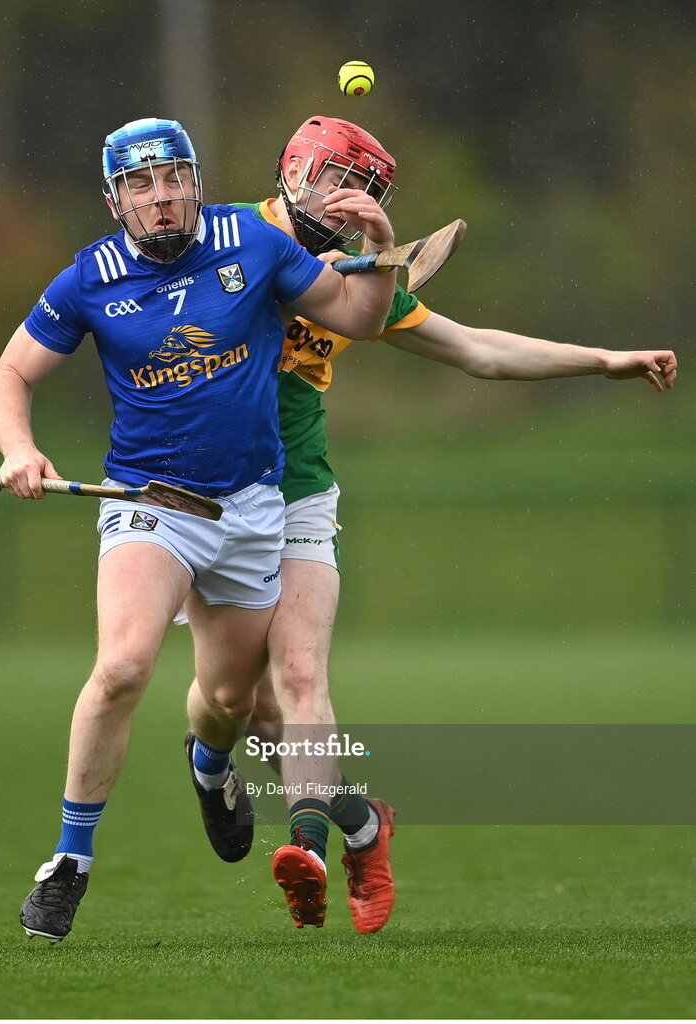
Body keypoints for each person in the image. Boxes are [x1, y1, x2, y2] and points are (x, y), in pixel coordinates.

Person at [183, 115, 678, 933]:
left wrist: (604, 360)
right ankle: (285, 794)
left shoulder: (356, 280)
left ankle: (307, 849)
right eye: (336, 182)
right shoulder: (225, 235)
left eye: (365, 196)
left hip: (298, 489)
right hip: (208, 492)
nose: (344, 203)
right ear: (294, 170)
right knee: (236, 702)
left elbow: (479, 349)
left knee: (301, 677)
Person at [0, 116, 400, 943]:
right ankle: (69, 863)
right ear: (115, 200)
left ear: (195, 182)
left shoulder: (251, 242)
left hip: (249, 511)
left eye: (173, 178)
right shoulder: (86, 279)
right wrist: (20, 448)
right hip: (149, 503)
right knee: (124, 663)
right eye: (140, 185)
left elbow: (357, 317)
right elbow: (9, 376)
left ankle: (217, 770)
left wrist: (382, 253)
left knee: (232, 702)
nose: (161, 197)